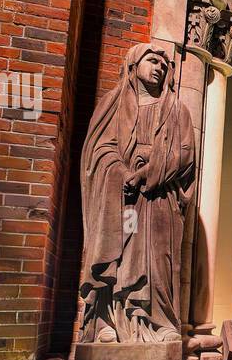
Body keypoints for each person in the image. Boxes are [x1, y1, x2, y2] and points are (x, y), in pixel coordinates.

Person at [79, 42, 194, 343]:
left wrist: (148, 173)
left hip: (158, 198)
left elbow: (185, 156)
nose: (159, 67)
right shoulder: (112, 105)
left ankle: (160, 322)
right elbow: (97, 151)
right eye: (152, 60)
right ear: (133, 64)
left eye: (164, 65)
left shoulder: (176, 110)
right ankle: (106, 321)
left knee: (158, 258)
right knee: (117, 251)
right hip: (119, 196)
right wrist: (121, 173)